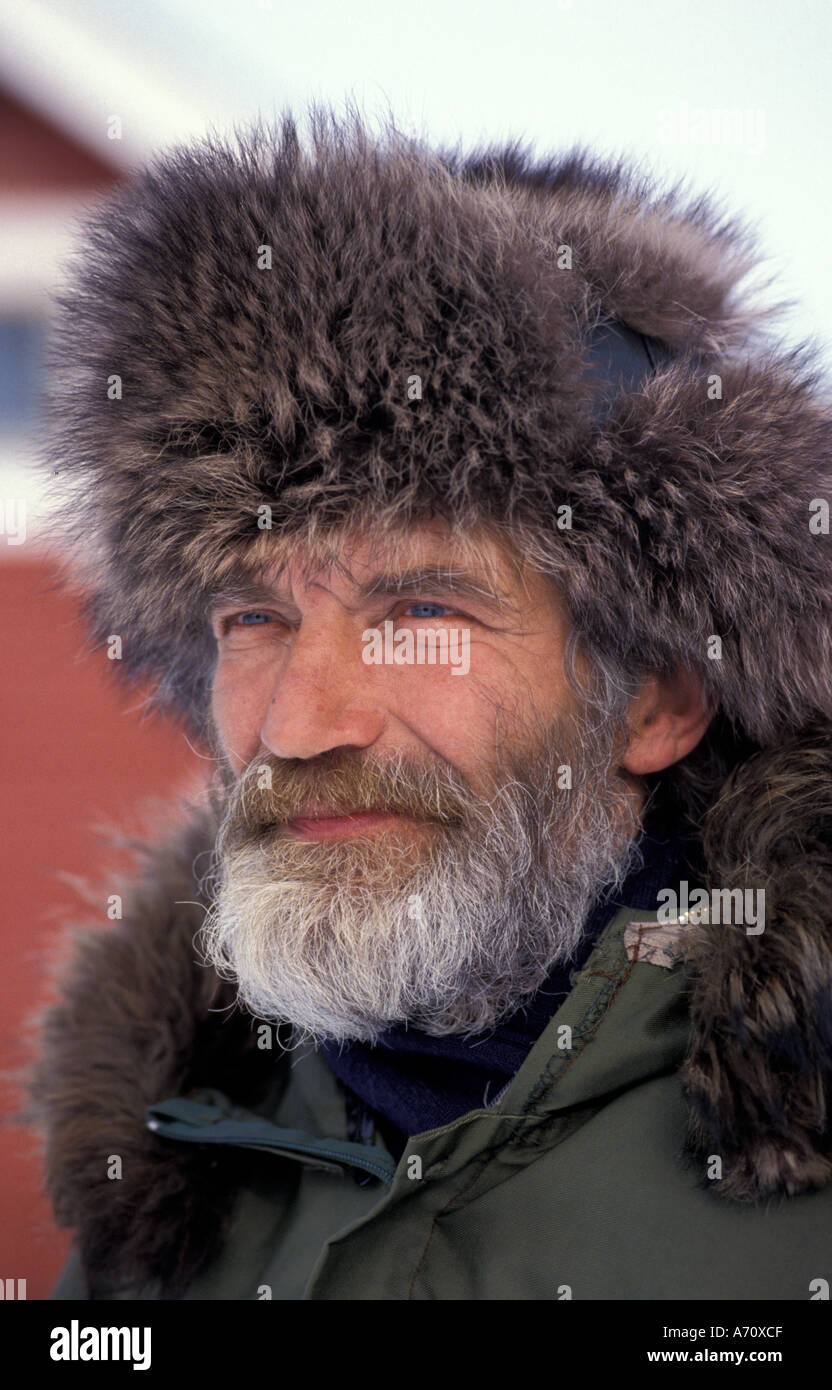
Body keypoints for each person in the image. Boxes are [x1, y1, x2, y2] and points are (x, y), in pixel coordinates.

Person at [24, 104, 832, 1300]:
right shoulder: (171, 1191)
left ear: (660, 695)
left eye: (422, 614)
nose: (299, 727)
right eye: (254, 618)